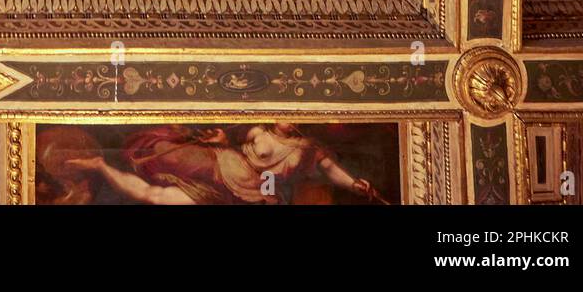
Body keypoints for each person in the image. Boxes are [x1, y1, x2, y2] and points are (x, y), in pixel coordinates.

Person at [69, 122, 386, 205]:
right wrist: (222, 142)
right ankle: (106, 162)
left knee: (156, 198)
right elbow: (234, 146)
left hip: (244, 195)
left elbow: (331, 171)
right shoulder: (258, 130)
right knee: (172, 159)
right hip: (229, 168)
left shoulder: (307, 148)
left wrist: (355, 184)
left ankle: (100, 166)